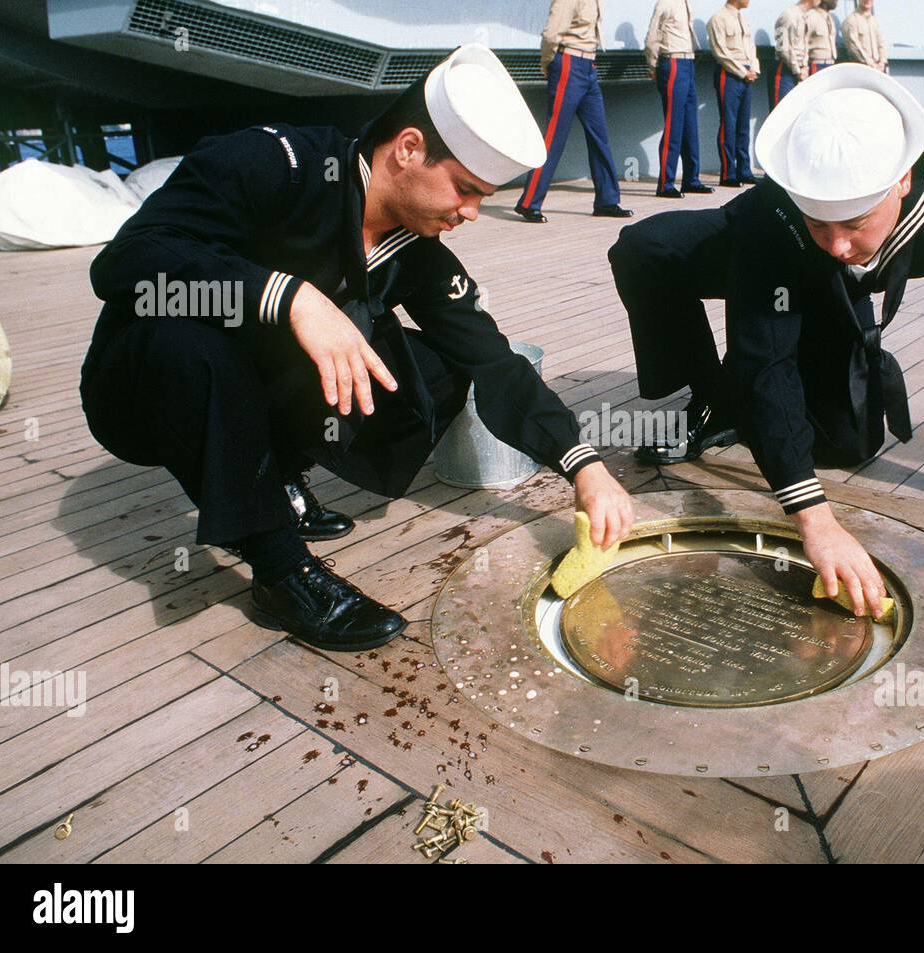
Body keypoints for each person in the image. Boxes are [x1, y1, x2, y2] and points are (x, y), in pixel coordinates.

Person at [81, 45, 635, 652]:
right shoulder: (272, 162)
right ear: (408, 149)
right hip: (144, 384)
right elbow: (126, 264)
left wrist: (585, 467)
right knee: (192, 340)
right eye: (465, 189)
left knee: (435, 367)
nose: (472, 213)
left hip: (250, 381)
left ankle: (280, 480)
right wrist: (287, 296)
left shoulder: (415, 249)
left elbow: (493, 359)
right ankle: (280, 570)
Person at [608, 64, 924, 617]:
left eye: (855, 221)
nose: (837, 245)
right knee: (643, 249)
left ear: (902, 180)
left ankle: (770, 397)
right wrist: (814, 518)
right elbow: (765, 357)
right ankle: (714, 402)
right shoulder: (778, 211)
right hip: (770, 257)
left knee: (846, 444)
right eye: (821, 224)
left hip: (838, 291)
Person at [515, 0, 633, 223]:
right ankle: (529, 202)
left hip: (589, 66)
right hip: (569, 63)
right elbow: (551, 34)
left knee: (600, 136)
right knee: (555, 136)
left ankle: (607, 201)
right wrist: (547, 63)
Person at [647, 0, 715, 197]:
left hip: (688, 62)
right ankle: (665, 184)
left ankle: (691, 179)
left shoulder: (685, 4)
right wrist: (653, 64)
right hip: (673, 61)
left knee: (690, 125)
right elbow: (652, 37)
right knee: (673, 125)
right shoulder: (665, 4)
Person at [708, 0, 761, 187]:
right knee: (728, 124)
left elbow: (751, 48)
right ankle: (727, 173)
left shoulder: (742, 19)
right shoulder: (718, 18)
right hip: (730, 73)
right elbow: (720, 51)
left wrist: (753, 68)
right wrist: (742, 71)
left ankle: (744, 170)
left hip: (747, 73)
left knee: (743, 125)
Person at [773, 0, 816, 107]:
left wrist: (804, 67)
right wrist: (798, 70)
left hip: (800, 71)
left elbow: (805, 45)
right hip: (785, 70)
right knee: (782, 111)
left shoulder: (804, 17)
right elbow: (782, 48)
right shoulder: (788, 15)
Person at [841, 0, 889, 72]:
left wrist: (882, 62)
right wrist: (871, 64)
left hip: (878, 68)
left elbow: (881, 43)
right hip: (861, 68)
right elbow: (854, 47)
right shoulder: (851, 21)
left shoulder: (873, 21)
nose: (867, 0)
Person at [806, 1, 841, 75]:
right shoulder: (811, 17)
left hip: (830, 64)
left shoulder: (830, 18)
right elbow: (802, 43)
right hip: (817, 65)